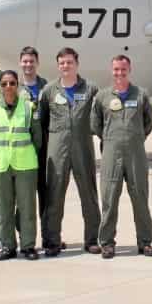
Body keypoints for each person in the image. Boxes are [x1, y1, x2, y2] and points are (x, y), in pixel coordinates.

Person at [37, 47, 102, 256]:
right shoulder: (49, 91)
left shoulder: (90, 89)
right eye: (62, 63)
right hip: (57, 149)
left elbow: (99, 117)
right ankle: (52, 241)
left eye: (69, 62)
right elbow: (43, 121)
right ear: (58, 66)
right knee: (54, 195)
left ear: (77, 64)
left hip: (83, 148)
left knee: (89, 194)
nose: (66, 66)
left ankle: (92, 239)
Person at [91, 54, 152, 259]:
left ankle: (145, 242)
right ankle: (107, 243)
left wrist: (135, 137)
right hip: (111, 152)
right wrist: (111, 139)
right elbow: (95, 124)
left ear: (129, 70)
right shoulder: (102, 97)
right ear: (112, 71)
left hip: (136, 153)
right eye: (116, 69)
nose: (120, 73)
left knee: (140, 198)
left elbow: (149, 121)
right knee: (109, 198)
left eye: (123, 69)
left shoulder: (141, 95)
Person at [0, 70, 43, 260]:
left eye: (12, 83)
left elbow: (37, 137)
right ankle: (7, 246)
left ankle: (27, 246)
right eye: (4, 84)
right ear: (0, 86)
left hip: (25, 164)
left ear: (17, 85)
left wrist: (25, 152)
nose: (8, 87)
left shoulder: (29, 108)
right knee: (4, 208)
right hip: (1, 165)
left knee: (27, 207)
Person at [16, 46, 50, 249]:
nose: (28, 65)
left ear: (37, 63)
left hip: (45, 147)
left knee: (47, 196)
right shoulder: (14, 87)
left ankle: (49, 237)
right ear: (20, 63)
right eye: (25, 61)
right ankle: (25, 238)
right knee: (24, 196)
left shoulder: (48, 87)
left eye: (31, 61)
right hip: (24, 148)